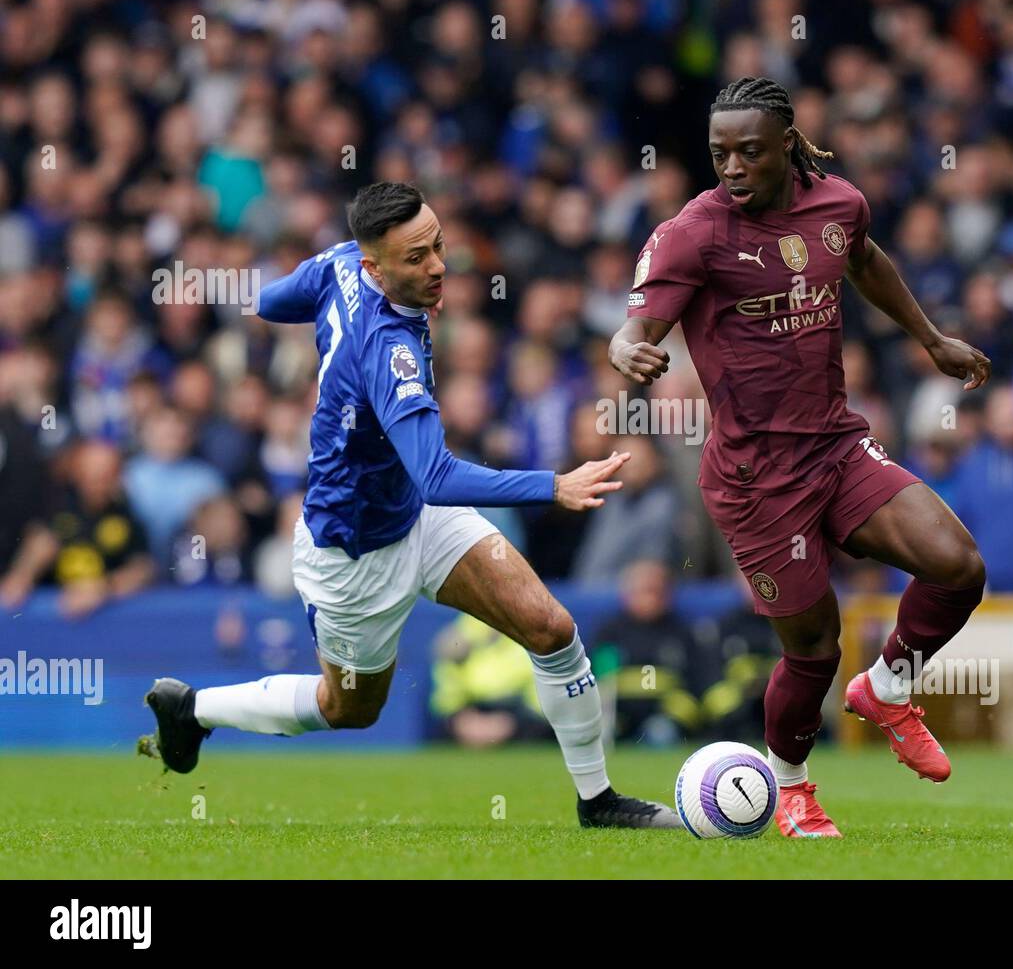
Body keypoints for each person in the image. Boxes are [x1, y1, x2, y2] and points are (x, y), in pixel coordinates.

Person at [144, 182, 677, 829]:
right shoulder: (387, 347)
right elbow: (436, 473)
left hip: (416, 516)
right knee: (349, 709)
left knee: (552, 628)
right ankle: (193, 709)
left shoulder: (342, 262)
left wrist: (318, 330)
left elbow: (270, 299)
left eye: (438, 246)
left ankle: (599, 801)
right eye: (416, 258)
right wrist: (553, 485)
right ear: (376, 266)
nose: (436, 267)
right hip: (355, 551)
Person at [608, 78, 991, 838]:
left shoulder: (837, 204)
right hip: (758, 479)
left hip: (838, 445)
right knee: (814, 648)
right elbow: (636, 326)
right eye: (720, 155)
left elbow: (867, 259)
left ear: (787, 143)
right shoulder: (694, 233)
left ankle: (887, 687)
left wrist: (931, 337)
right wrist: (628, 349)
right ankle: (791, 786)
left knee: (959, 565)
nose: (733, 168)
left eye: (749, 151)